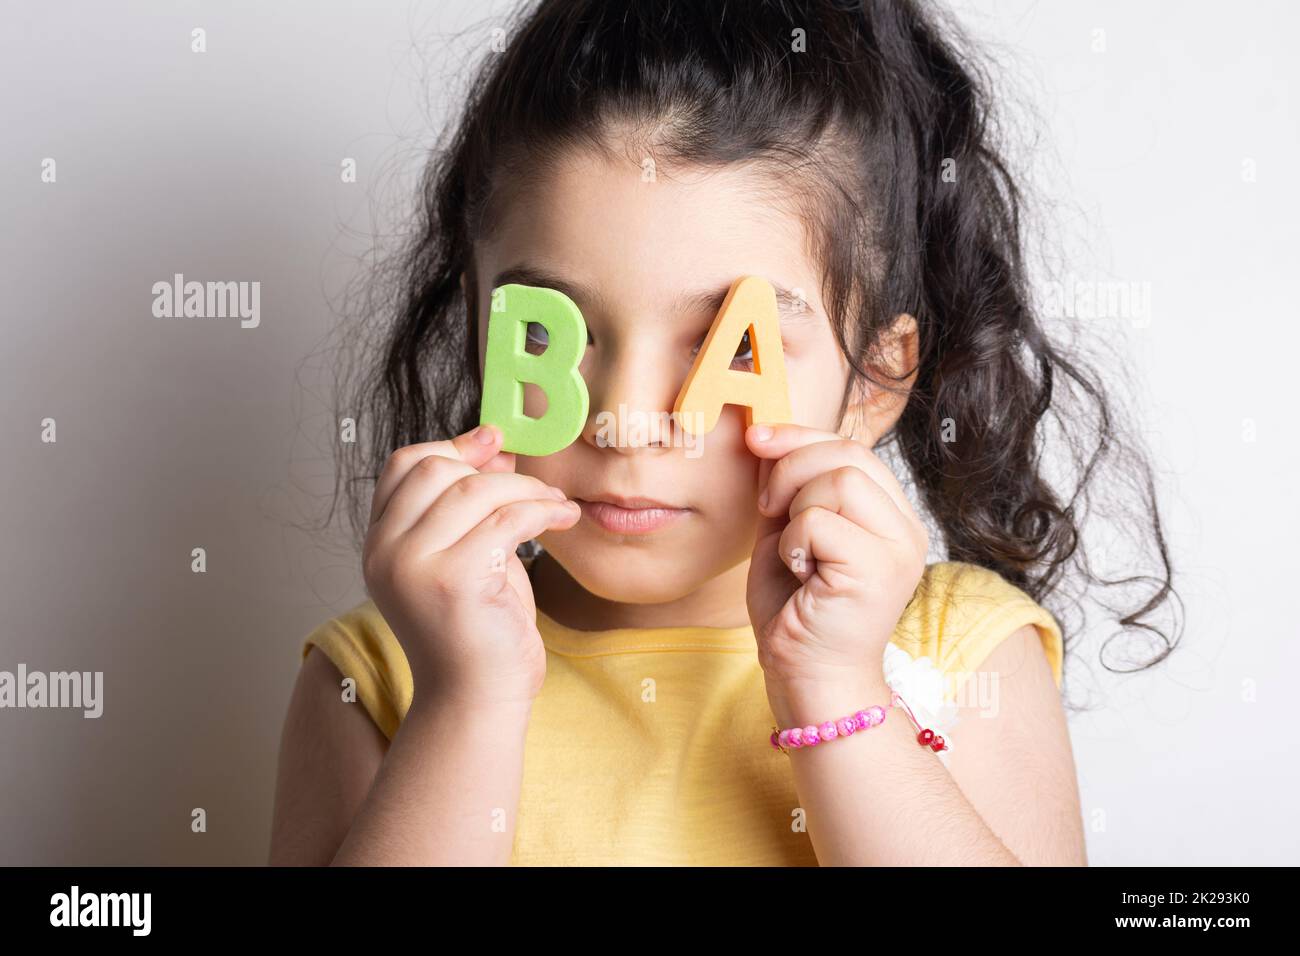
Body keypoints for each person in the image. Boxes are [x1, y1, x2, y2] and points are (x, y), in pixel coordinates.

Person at [268, 0, 1178, 866]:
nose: (627, 421)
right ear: (479, 320)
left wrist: (839, 695)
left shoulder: (958, 654)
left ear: (874, 377)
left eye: (724, 345)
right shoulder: (382, 677)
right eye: (549, 334)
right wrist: (465, 704)